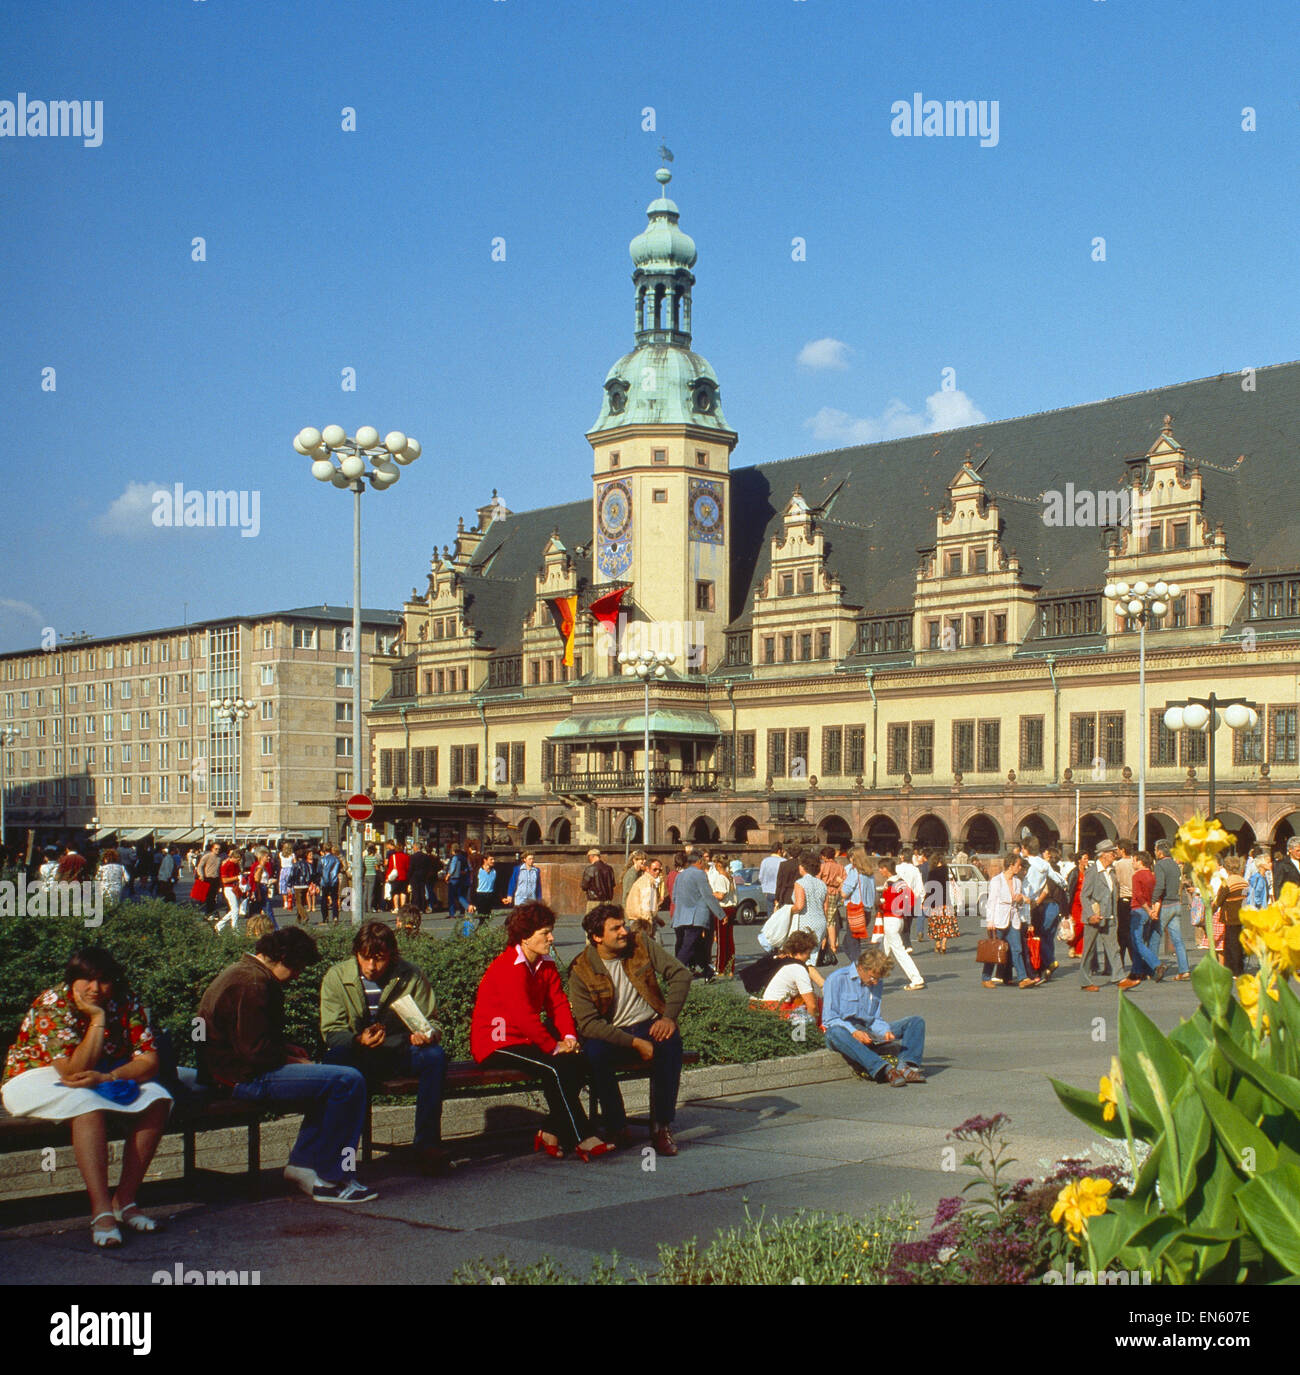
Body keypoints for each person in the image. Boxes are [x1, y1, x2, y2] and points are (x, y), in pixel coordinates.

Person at [2, 947, 173, 1247]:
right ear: (72, 980)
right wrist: (97, 1019)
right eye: (86, 980)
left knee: (157, 1099)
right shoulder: (53, 1002)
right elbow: (72, 1071)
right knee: (87, 1105)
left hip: (101, 1074)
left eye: (103, 981)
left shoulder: (126, 999)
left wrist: (109, 1077)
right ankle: (101, 1210)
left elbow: (149, 1061)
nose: (94, 989)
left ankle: (126, 1201)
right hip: (35, 1077)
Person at [197, 925, 378, 1203]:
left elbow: (246, 1039)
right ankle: (334, 1176)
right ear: (283, 959)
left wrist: (286, 1050)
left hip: (228, 1073)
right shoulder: (254, 984)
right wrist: (293, 1060)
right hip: (243, 1079)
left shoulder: (242, 972)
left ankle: (304, 1165)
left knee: (330, 1081)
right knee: (348, 1080)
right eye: (296, 969)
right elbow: (255, 1053)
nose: (296, 976)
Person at [469, 902, 612, 1160]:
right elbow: (523, 1016)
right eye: (545, 933)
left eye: (551, 931)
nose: (551, 937)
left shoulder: (545, 963)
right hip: (496, 1042)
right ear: (525, 936)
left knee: (579, 1061)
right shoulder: (509, 966)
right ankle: (582, 1136)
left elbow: (557, 1003)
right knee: (555, 1067)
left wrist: (569, 1037)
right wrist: (553, 1046)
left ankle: (549, 1130)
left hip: (524, 1040)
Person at [319, 921, 449, 1175]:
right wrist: (357, 1040)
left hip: (399, 1052)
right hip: (357, 1054)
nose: (371, 967)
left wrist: (428, 1035)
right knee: (336, 1059)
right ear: (356, 954)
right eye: (365, 958)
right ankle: (341, 1158)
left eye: (379, 959)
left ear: (392, 955)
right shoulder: (337, 977)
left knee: (435, 1056)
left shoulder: (410, 975)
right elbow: (331, 1031)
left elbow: (432, 1021)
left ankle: (427, 1145)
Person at [568, 904, 691, 1155]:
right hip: (612, 1032)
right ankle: (617, 1125)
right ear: (597, 937)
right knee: (594, 1053)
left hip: (648, 1025)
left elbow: (680, 974)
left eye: (623, 925)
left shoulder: (641, 944)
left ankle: (661, 1127)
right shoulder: (581, 968)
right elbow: (589, 1023)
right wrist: (634, 1043)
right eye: (616, 928)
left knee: (669, 1043)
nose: (624, 931)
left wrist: (668, 1018)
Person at [822, 948, 927, 1086]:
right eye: (873, 977)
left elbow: (875, 1018)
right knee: (835, 1032)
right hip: (843, 1031)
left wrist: (884, 1031)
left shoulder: (875, 982)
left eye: (879, 978)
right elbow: (830, 1019)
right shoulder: (837, 979)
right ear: (861, 968)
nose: (876, 982)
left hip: (866, 1029)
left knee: (915, 1022)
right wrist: (854, 1032)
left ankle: (906, 1067)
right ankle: (883, 1068)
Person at [982, 853, 1035, 988]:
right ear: (1011, 866)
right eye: (1018, 865)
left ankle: (1023, 978)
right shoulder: (997, 881)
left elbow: (1019, 902)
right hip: (999, 919)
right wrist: (990, 922)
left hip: (1013, 919)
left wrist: (1020, 900)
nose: (1020, 868)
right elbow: (991, 902)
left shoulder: (1017, 881)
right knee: (994, 949)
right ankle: (986, 977)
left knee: (1017, 949)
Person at [671, 852, 726, 977]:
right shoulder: (700, 874)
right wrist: (721, 914)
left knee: (697, 945)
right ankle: (672, 974)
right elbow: (708, 896)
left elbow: (674, 897)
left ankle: (707, 972)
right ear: (699, 862)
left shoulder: (680, 875)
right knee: (688, 947)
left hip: (680, 916)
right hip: (695, 918)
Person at [1080, 841, 1126, 992]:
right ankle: (1085, 981)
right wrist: (1090, 915)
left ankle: (1119, 978)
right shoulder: (1093, 872)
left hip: (1109, 917)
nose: (1114, 855)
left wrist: (1114, 915)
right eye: (1112, 853)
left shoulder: (1111, 871)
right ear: (1104, 855)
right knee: (1089, 950)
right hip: (1095, 917)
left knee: (1114, 947)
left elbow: (1114, 895)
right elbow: (1084, 896)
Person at [751, 929, 826, 1020]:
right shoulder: (798, 968)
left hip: (754, 1005)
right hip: (775, 1009)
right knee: (816, 1001)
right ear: (799, 952)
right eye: (808, 953)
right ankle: (815, 1031)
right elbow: (812, 1005)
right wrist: (812, 1024)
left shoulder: (776, 958)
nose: (809, 957)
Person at [877, 858, 925, 990]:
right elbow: (912, 899)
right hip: (899, 919)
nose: (880, 871)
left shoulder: (891, 884)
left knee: (900, 952)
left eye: (881, 868)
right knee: (883, 950)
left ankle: (916, 978)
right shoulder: (901, 882)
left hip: (891, 919)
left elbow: (888, 905)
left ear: (886, 869)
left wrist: (880, 905)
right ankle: (874, 975)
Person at [1150, 839, 1191, 981]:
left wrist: (1153, 900)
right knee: (1178, 939)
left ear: (1160, 852)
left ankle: (1153, 969)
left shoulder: (1160, 865)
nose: (1155, 853)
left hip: (1166, 904)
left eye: (1155, 850)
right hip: (1176, 903)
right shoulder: (1175, 864)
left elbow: (1160, 885)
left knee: (1155, 937)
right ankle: (1184, 970)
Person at [1128, 851, 1164, 983]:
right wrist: (1154, 911)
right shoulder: (1153, 876)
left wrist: (1148, 910)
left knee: (1137, 942)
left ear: (1140, 862)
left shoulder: (1137, 876)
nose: (1132, 863)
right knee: (1140, 942)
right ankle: (1137, 971)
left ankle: (1156, 965)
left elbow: (1138, 895)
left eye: (1134, 860)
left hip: (1139, 910)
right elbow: (1157, 896)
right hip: (1150, 911)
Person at [840, 847, 876, 965]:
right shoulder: (870, 873)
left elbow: (844, 893)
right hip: (867, 909)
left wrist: (841, 882)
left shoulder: (854, 872)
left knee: (851, 940)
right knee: (851, 940)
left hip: (855, 909)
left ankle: (859, 965)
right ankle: (857, 963)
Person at [1216, 854, 1249, 976]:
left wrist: (1210, 910)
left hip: (1229, 917)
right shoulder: (1243, 881)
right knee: (1238, 943)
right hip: (1242, 915)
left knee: (1230, 944)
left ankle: (1233, 969)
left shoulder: (1227, 883)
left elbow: (1219, 901)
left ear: (1226, 868)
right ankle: (1239, 968)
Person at [708, 853, 738, 977]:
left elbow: (721, 895)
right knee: (729, 940)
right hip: (731, 908)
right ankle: (730, 967)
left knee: (721, 940)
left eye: (715, 864)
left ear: (719, 864)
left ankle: (720, 968)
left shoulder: (721, 877)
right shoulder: (730, 876)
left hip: (723, 909)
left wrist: (710, 893)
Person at [925, 850, 959, 954]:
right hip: (946, 902)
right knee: (946, 925)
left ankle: (938, 943)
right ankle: (944, 944)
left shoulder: (932, 872)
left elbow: (929, 889)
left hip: (935, 903)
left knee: (936, 925)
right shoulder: (946, 870)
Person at [624, 856, 665, 934]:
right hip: (641, 921)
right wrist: (648, 925)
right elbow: (645, 906)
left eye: (660, 870)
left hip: (639, 919)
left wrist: (657, 919)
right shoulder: (647, 883)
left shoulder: (649, 881)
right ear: (647, 869)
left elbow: (651, 906)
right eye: (655, 869)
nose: (657, 872)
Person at [895, 848, 925, 952]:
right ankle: (906, 944)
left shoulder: (897, 868)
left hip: (898, 898)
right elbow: (919, 886)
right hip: (911, 899)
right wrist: (920, 900)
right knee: (907, 923)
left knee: (898, 923)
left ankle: (905, 945)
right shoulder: (915, 869)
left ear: (902, 856)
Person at [1113, 840, 1135, 972]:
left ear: (1122, 850)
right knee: (1132, 931)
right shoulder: (1134, 862)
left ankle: (1119, 962)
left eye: (1117, 849)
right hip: (1135, 900)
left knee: (1122, 932)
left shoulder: (1119, 864)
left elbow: (1117, 882)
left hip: (1123, 898)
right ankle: (1135, 959)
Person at [217, 845, 243, 933]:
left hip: (234, 888)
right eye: (238, 859)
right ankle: (234, 928)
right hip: (228, 888)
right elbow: (224, 880)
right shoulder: (226, 865)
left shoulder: (236, 865)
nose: (239, 861)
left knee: (234, 909)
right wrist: (237, 878)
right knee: (235, 909)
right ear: (233, 857)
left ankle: (220, 925)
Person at [580, 848, 616, 913]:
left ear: (592, 856)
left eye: (589, 857)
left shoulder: (590, 869)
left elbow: (584, 886)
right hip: (607, 902)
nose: (589, 859)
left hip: (594, 901)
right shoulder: (609, 868)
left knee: (592, 921)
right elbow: (612, 884)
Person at [470, 853, 499, 924]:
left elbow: (497, 886)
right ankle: (479, 933)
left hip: (490, 896)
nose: (493, 861)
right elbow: (473, 886)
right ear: (485, 860)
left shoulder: (494, 871)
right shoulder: (478, 871)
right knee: (482, 918)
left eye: (493, 859)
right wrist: (471, 902)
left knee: (487, 918)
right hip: (480, 895)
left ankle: (483, 933)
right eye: (491, 859)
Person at [758, 842, 783, 918]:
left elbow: (760, 877)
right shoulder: (783, 861)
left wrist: (765, 888)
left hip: (769, 891)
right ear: (779, 851)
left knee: (770, 913)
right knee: (780, 914)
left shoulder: (765, 861)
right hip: (780, 891)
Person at [445, 843, 470, 918]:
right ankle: (467, 907)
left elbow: (452, 868)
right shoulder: (464, 858)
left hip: (454, 878)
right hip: (461, 878)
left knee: (452, 896)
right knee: (460, 895)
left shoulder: (455, 858)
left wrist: (447, 875)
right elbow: (467, 869)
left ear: (453, 850)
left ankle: (452, 913)